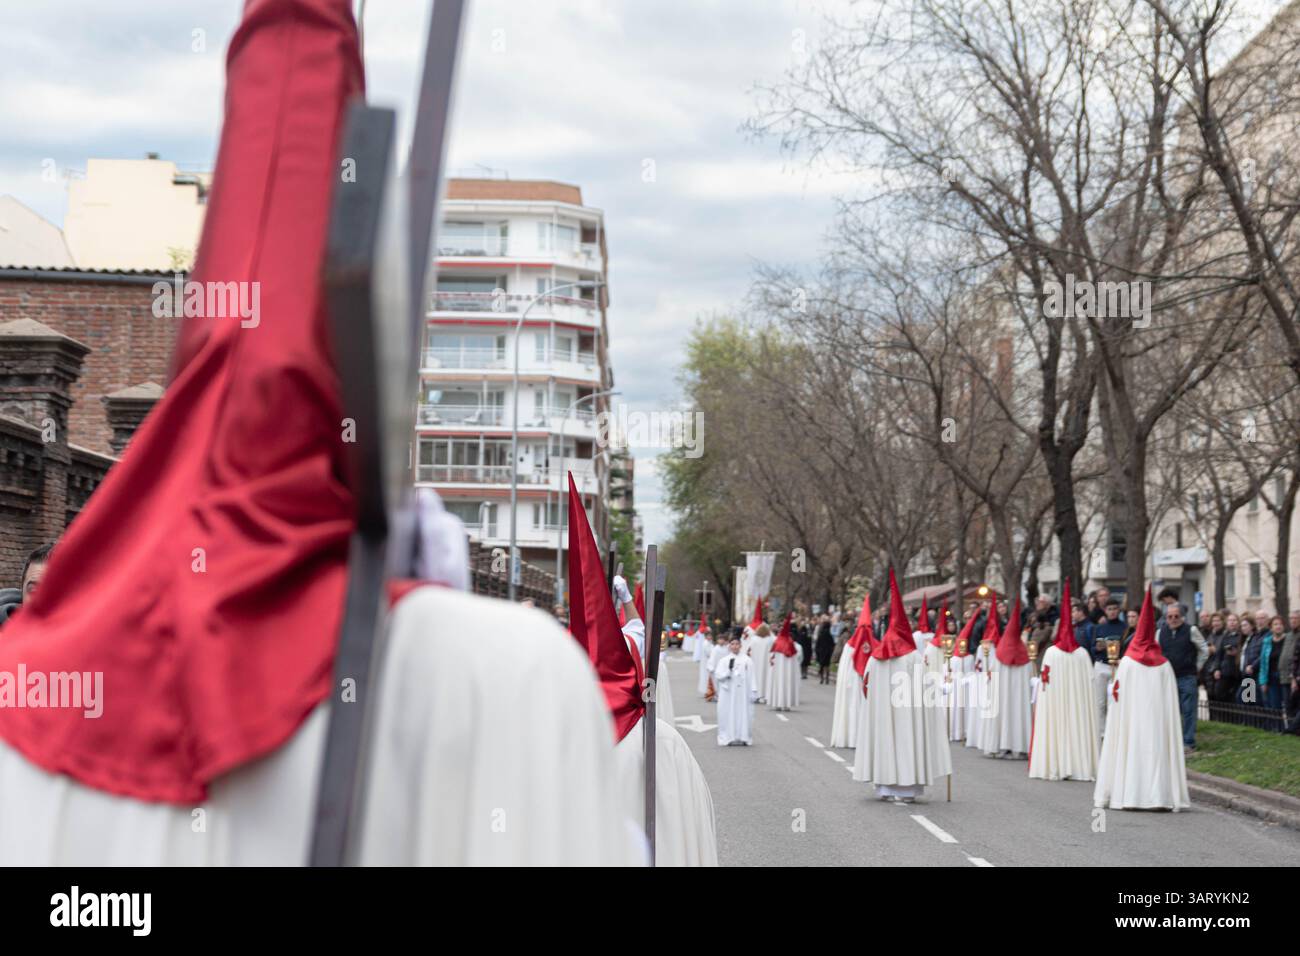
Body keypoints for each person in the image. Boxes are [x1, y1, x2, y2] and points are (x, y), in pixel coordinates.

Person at [853, 569, 950, 803]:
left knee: (886, 738)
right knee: (908, 737)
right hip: (909, 712)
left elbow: (865, 687)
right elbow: (925, 689)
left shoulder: (876, 657)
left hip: (884, 712)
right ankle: (907, 788)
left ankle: (886, 786)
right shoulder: (913, 657)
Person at [1094, 589, 1191, 812]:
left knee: (1132, 749)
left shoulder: (1127, 663)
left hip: (1133, 722)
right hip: (1157, 724)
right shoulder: (1164, 665)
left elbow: (1117, 696)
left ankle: (1131, 793)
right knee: (1155, 753)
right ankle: (1158, 795)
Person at [1028, 579, 1098, 781]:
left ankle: (1056, 761)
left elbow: (1045, 683)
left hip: (1056, 702)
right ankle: (1079, 762)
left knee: (1055, 724)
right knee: (1077, 722)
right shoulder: (1082, 654)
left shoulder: (1052, 653)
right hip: (1076, 704)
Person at [983, 597, 1032, 759]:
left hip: (1003, 695)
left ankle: (1002, 745)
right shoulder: (1025, 656)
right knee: (1019, 713)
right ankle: (1021, 746)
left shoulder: (998, 655)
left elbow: (992, 676)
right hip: (1019, 697)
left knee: (1004, 714)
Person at [1157, 603, 1209, 752]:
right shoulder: (1160, 632)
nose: (1173, 619)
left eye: (1176, 616)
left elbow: (1204, 650)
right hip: (1168, 678)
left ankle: (1188, 742)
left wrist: (1196, 666)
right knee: (1169, 711)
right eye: (1169, 616)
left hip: (1187, 676)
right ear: (1166, 618)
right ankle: (1171, 741)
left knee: (1188, 711)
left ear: (1182, 617)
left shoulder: (1191, 630)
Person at [830, 600, 870, 748]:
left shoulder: (850, 646)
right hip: (855, 683)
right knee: (854, 707)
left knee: (856, 708)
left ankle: (856, 737)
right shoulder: (850, 646)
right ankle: (855, 738)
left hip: (859, 683)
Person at [714, 635, 756, 746]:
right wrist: (727, 672)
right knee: (727, 713)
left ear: (741, 646)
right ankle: (727, 737)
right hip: (728, 694)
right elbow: (718, 675)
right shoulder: (724, 660)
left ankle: (743, 736)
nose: (735, 646)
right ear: (729, 646)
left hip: (743, 693)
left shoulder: (747, 660)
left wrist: (753, 691)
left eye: (737, 644)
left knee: (743, 713)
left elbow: (752, 677)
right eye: (732, 644)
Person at [768, 614, 801, 711]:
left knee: (779, 682)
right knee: (786, 682)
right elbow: (795, 656)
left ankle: (778, 703)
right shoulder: (790, 641)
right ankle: (786, 704)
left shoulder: (778, 641)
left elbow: (772, 655)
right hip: (787, 668)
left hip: (779, 668)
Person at [747, 621, 775, 703]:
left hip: (755, 662)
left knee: (756, 678)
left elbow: (749, 651)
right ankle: (765, 695)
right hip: (766, 663)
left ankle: (756, 695)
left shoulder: (753, 640)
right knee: (766, 678)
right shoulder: (770, 639)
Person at [693, 619, 714, 697]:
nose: (710, 637)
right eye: (708, 636)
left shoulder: (709, 642)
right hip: (706, 662)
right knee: (706, 676)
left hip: (707, 662)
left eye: (711, 636)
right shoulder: (706, 643)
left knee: (707, 676)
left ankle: (709, 690)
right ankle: (706, 690)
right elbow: (709, 653)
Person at [815, 614, 835, 684]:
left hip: (821, 651)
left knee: (822, 665)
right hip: (828, 652)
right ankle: (827, 679)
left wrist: (817, 650)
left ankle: (822, 678)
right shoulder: (829, 635)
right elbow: (832, 644)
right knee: (827, 665)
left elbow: (817, 644)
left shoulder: (821, 635)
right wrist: (831, 650)